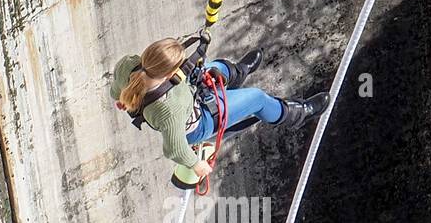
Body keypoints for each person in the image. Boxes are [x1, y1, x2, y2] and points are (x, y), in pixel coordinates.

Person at [112, 38, 329, 181]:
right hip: (200, 122)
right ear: (170, 74)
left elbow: (115, 89)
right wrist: (196, 165)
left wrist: (122, 100)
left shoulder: (128, 64)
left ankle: (237, 72)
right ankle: (296, 114)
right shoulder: (168, 110)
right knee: (257, 98)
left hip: (186, 93)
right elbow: (174, 148)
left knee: (212, 67)